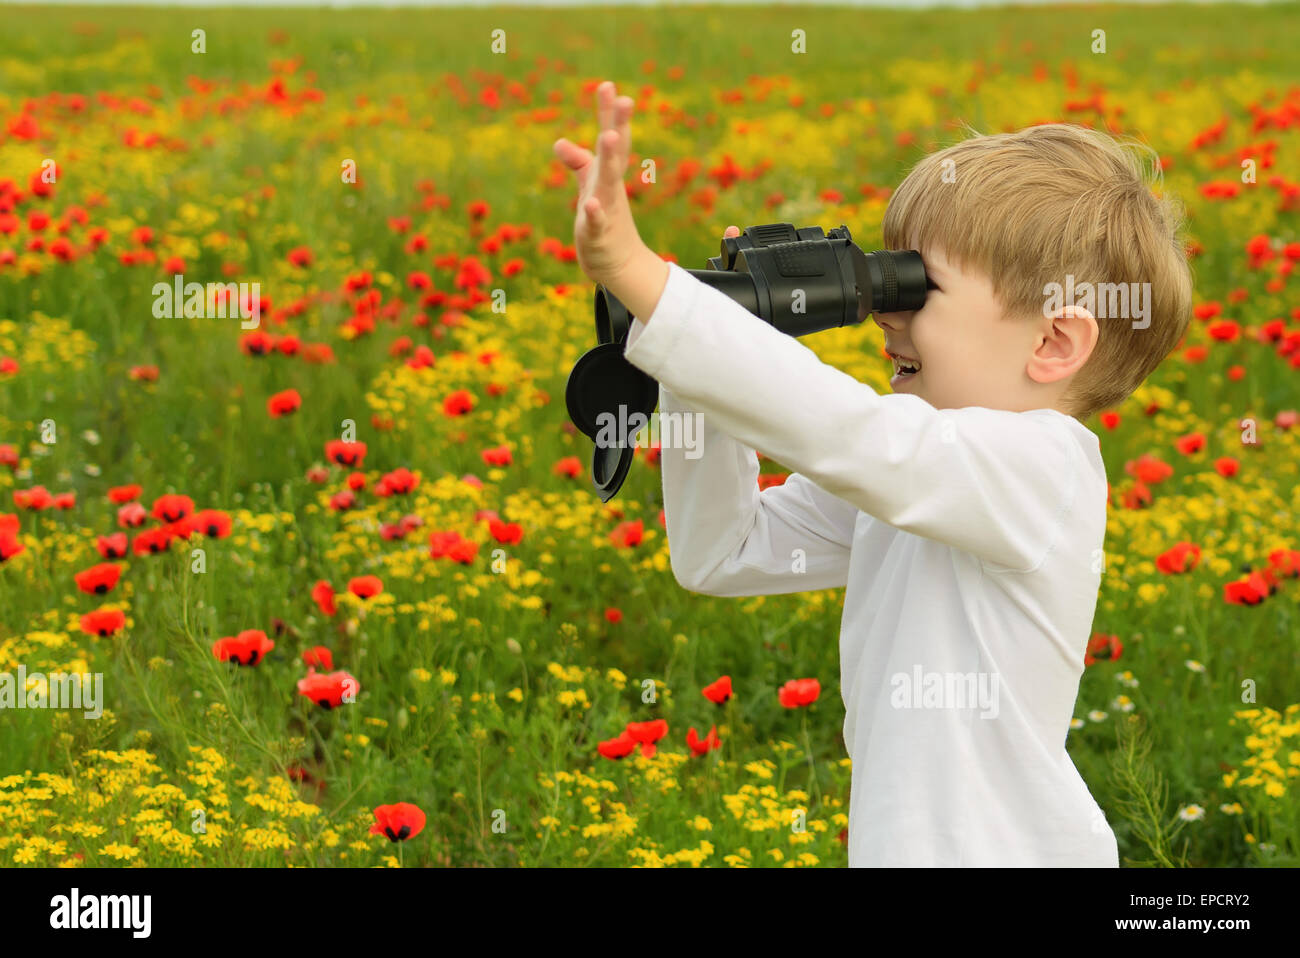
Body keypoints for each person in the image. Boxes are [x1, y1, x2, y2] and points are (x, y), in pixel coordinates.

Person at [554, 80, 1193, 866]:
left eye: (919, 288)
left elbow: (855, 438)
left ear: (1052, 344)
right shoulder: (926, 476)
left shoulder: (1042, 469)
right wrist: (696, 367)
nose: (886, 311)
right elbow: (722, 552)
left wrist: (661, 294)